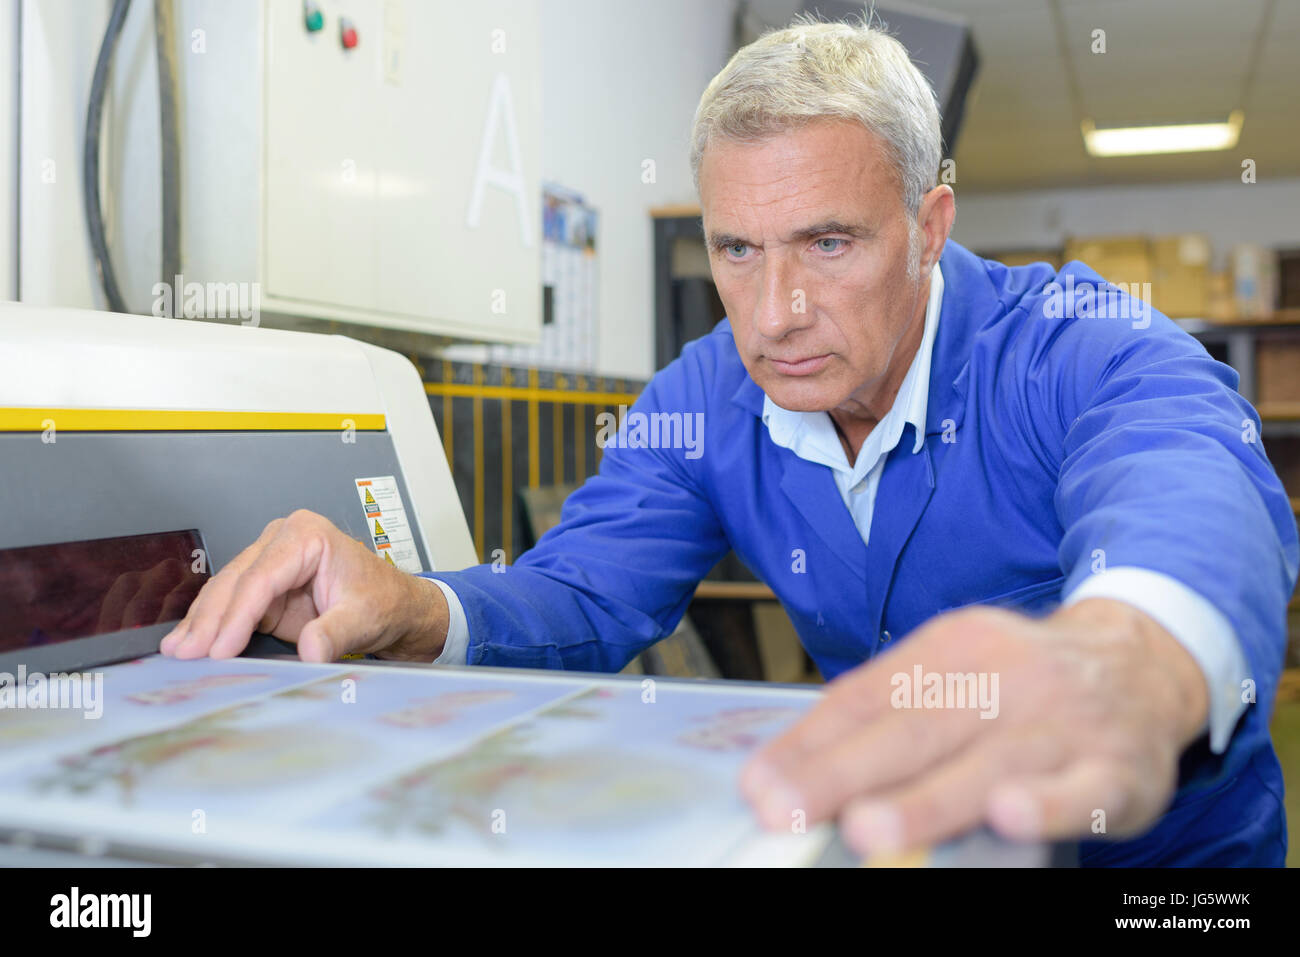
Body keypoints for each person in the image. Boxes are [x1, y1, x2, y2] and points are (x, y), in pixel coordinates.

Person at [160, 18, 1297, 866]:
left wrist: (1129, 652)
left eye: (829, 243)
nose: (773, 310)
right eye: (737, 251)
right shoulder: (700, 396)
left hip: (1166, 864)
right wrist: (417, 606)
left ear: (931, 226)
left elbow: (1188, 473)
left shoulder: (1066, 342)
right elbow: (584, 595)